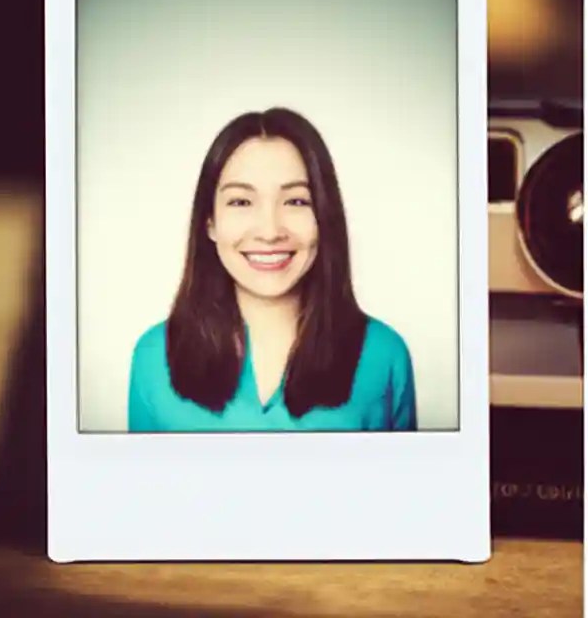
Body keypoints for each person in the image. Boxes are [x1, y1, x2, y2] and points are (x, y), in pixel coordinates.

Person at [128, 108, 417, 432]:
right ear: (209, 222)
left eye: (296, 202)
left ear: (325, 218)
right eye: (241, 202)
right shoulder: (153, 357)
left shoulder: (385, 354)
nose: (269, 231)